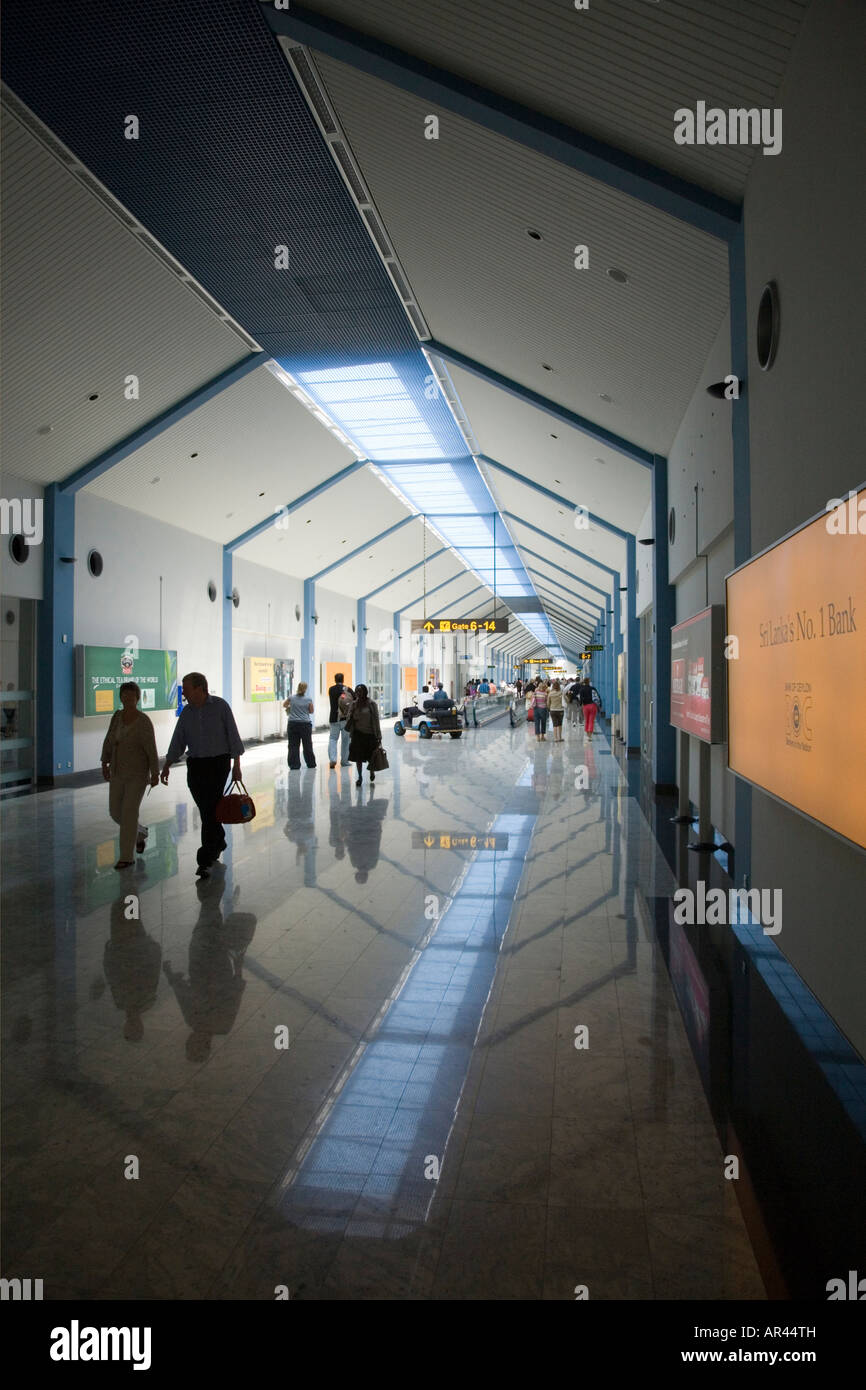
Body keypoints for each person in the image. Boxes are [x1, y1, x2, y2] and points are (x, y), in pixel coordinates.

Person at [161, 672, 244, 877]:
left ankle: (204, 858)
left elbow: (233, 736)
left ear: (199, 688)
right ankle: (219, 839)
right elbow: (178, 740)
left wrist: (236, 766)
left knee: (209, 808)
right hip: (196, 765)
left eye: (186, 689)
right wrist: (167, 765)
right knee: (206, 807)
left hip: (218, 764)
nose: (184, 693)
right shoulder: (187, 712)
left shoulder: (220, 706)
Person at [101, 681, 160, 870]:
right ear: (121, 697)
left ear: (137, 698)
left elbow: (151, 748)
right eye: (124, 695)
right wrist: (105, 761)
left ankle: (126, 857)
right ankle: (140, 832)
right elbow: (109, 739)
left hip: (137, 773)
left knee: (128, 812)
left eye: (131, 695)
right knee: (115, 812)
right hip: (117, 771)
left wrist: (155, 772)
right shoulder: (117, 717)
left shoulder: (143, 721)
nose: (128, 698)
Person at [345, 683, 381, 785]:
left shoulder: (371, 704)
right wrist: (352, 717)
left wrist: (378, 736)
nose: (358, 693)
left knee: (370, 757)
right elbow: (348, 717)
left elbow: (376, 720)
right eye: (357, 691)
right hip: (357, 735)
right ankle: (360, 777)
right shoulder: (354, 704)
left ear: (365, 692)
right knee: (358, 758)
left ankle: (372, 771)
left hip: (370, 735)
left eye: (360, 691)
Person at [284, 680, 317, 771]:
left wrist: (291, 708)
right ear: (305, 689)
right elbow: (311, 711)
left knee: (293, 745)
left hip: (293, 724)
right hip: (305, 724)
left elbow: (284, 705)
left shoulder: (291, 698)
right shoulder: (308, 699)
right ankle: (311, 763)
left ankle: (294, 765)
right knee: (307, 744)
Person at [327, 672, 353, 770]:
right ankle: (344, 761)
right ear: (343, 680)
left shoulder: (331, 690)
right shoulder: (348, 689)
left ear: (335, 680)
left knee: (333, 738)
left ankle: (333, 759)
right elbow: (354, 698)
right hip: (345, 719)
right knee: (346, 740)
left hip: (334, 718)